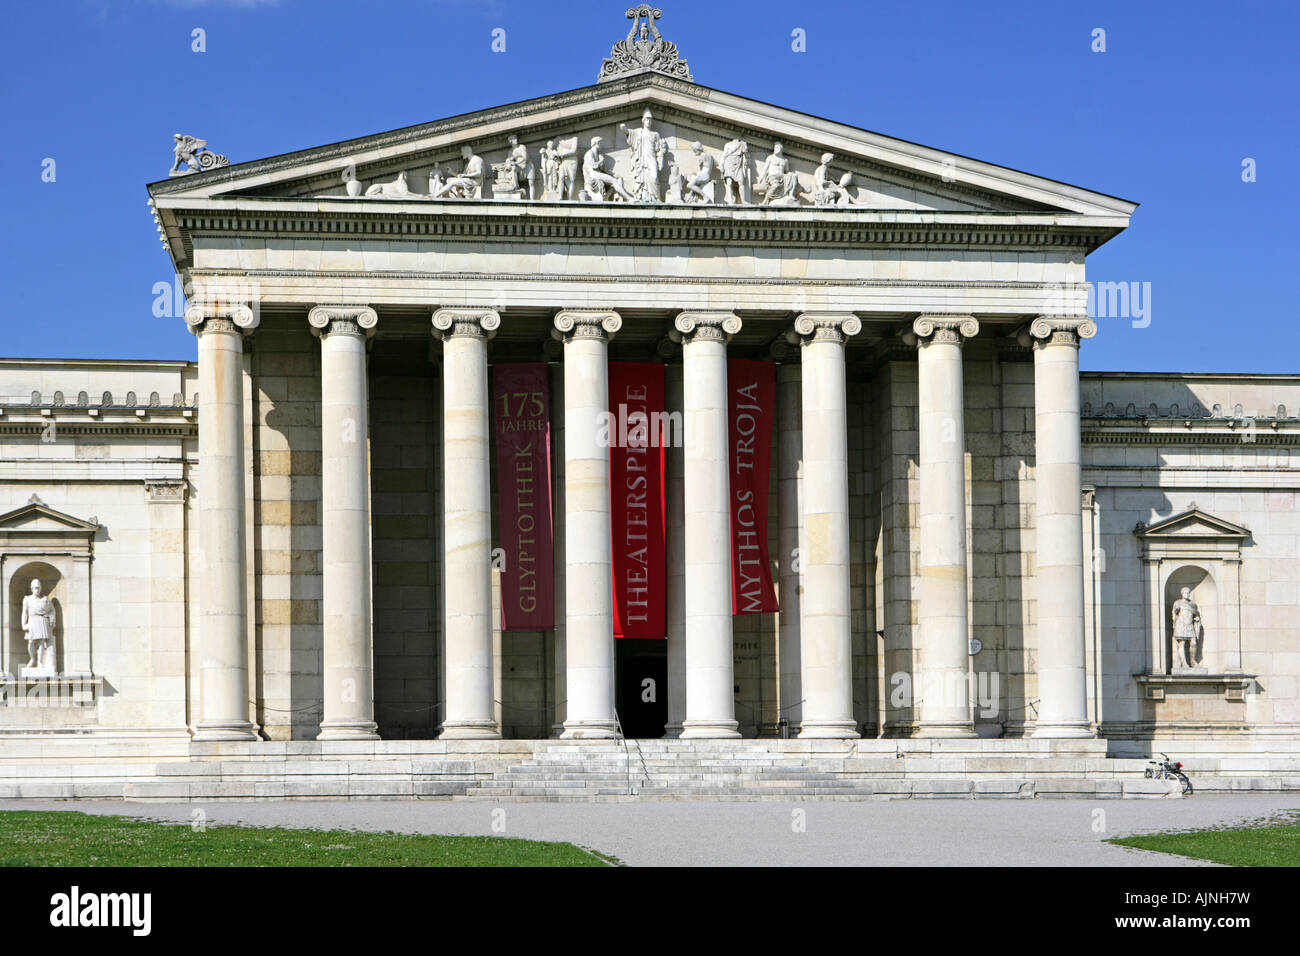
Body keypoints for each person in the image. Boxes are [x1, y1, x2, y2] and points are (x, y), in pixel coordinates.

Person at [619, 108, 666, 202]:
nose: (648, 121)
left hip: (652, 158)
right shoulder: (638, 132)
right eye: (646, 119)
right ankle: (644, 197)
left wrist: (661, 157)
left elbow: (659, 149)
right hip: (642, 160)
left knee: (654, 177)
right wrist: (623, 128)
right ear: (643, 121)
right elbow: (628, 133)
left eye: (650, 119)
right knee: (643, 178)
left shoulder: (655, 134)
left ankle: (656, 198)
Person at [22, 579, 55, 670]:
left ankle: (40, 662)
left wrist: (51, 619)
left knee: (41, 642)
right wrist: (23, 624)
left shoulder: (45, 599)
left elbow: (52, 610)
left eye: (38, 587)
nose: (37, 589)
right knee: (31, 641)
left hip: (42, 620)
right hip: (32, 620)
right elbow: (24, 612)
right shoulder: (27, 599)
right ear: (32, 588)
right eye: (35, 588)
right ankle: (32, 659)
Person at [1171, 586, 1201, 669]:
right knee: (1182, 643)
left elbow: (1196, 613)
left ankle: (1193, 661)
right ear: (1182, 594)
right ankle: (1184, 663)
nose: (1186, 594)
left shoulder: (1192, 604)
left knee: (1193, 642)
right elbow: (1174, 612)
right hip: (1181, 624)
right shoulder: (1178, 602)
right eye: (1185, 592)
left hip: (1190, 624)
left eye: (1188, 593)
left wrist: (1197, 618)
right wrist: (1176, 610)